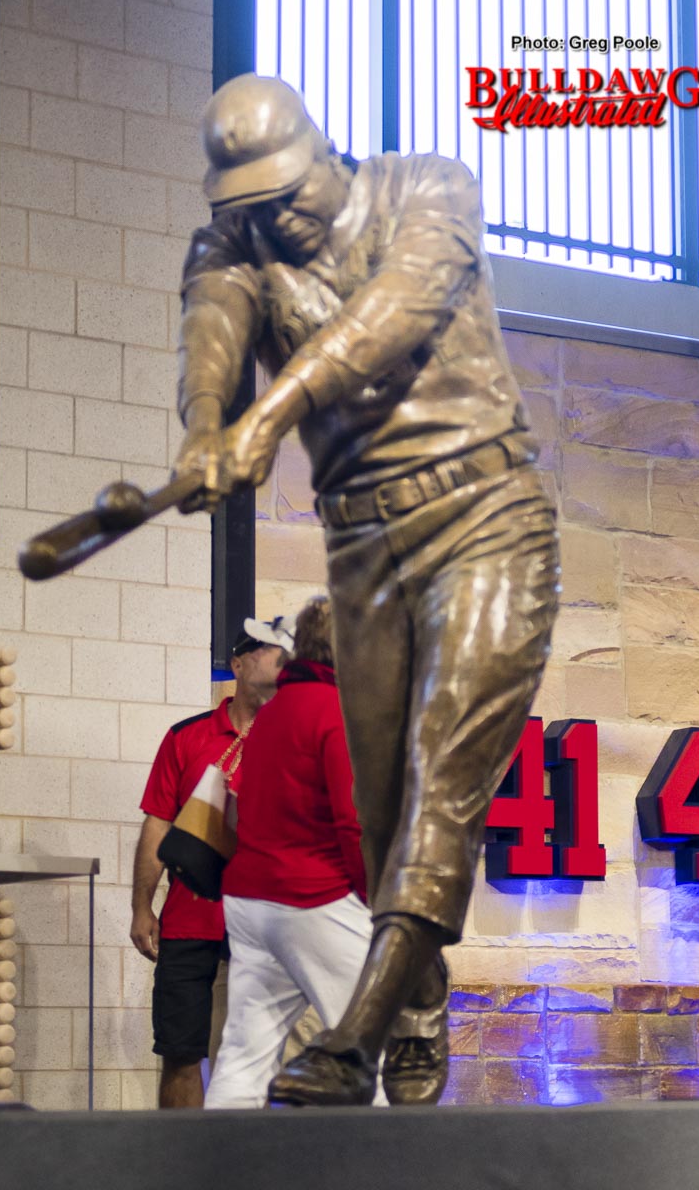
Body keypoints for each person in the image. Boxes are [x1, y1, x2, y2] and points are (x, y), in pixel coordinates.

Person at [173, 73, 560, 1107]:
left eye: (283, 199)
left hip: (484, 513)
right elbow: (212, 337)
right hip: (361, 544)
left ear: (322, 156)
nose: (271, 223)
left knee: (442, 768)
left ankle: (355, 1038)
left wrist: (271, 416)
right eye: (247, 207)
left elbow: (391, 315)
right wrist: (208, 424)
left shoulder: (426, 185)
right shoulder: (235, 245)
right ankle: (420, 1000)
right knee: (388, 808)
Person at [204, 596, 379, 1108]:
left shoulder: (272, 714)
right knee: (377, 1045)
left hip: (249, 901)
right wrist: (375, 898)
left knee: (244, 1055)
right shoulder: (338, 712)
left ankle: (220, 1170)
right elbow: (354, 821)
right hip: (312, 896)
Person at [130, 615, 295, 1107]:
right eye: (270, 651)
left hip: (266, 923)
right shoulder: (187, 736)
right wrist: (141, 907)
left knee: (255, 1057)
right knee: (181, 1054)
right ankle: (182, 1168)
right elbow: (158, 823)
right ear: (238, 664)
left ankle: (247, 1171)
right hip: (190, 920)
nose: (282, 660)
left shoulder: (296, 739)